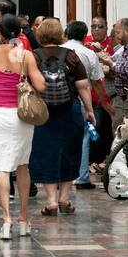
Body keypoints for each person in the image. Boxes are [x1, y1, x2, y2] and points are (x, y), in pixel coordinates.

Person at [0, 14, 46, 240]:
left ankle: (6, 220)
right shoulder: (26, 55)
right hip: (21, 115)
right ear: (20, 33)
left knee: (2, 167)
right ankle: (23, 218)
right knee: (23, 165)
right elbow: (41, 85)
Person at [29, 18, 96, 217]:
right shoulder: (71, 56)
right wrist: (89, 110)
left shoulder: (34, 56)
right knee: (70, 152)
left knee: (45, 153)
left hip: (42, 113)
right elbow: (83, 86)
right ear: (61, 34)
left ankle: (50, 200)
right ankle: (64, 198)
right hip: (70, 109)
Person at [64, 20, 107, 191]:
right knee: (83, 137)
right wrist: (102, 103)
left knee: (61, 136)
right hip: (81, 99)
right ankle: (81, 177)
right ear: (84, 36)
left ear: (67, 34)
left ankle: (62, 177)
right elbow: (96, 82)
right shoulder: (88, 54)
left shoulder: (59, 50)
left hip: (59, 98)